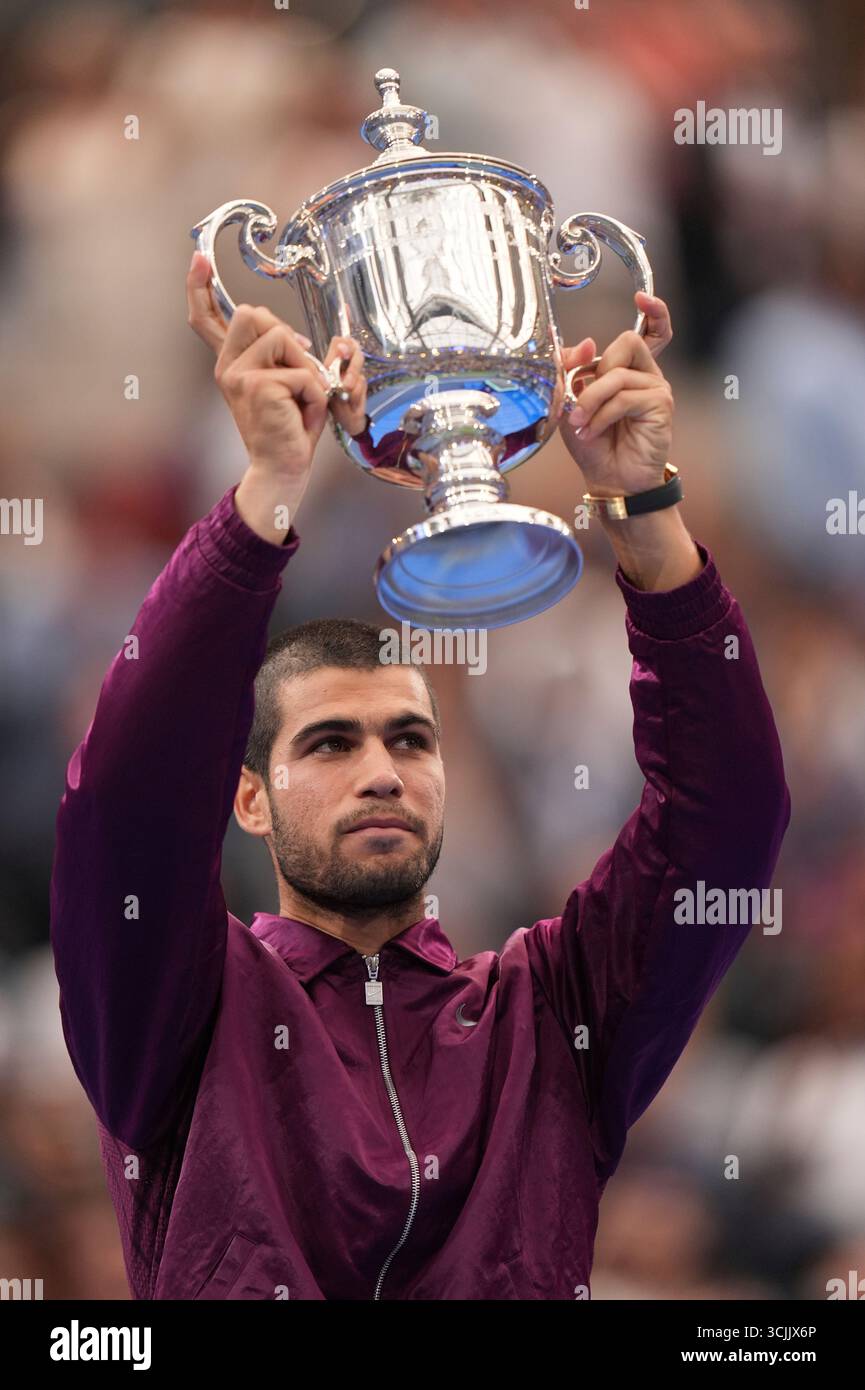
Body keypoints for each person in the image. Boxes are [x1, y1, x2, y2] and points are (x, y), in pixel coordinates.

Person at [48, 252, 790, 1301]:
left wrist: (644, 513)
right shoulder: (180, 1007)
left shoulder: (549, 1014)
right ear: (247, 798)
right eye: (329, 743)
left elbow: (730, 821)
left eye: (409, 740)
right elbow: (125, 803)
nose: (382, 771)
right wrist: (263, 495)